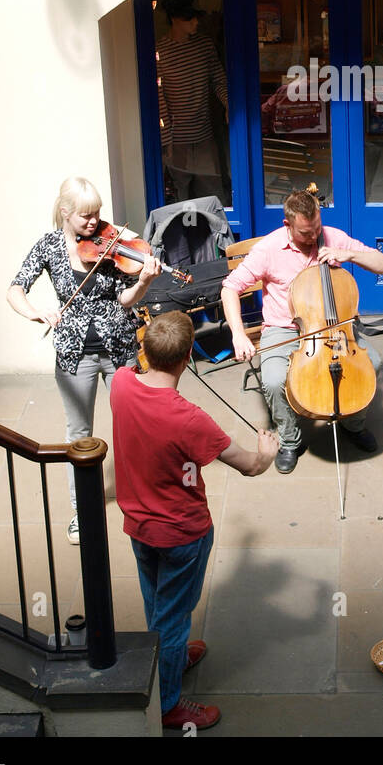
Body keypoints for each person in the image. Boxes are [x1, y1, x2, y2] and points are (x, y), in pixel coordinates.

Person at [110, 310, 278, 731]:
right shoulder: (190, 419)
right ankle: (166, 704)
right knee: (172, 616)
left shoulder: (121, 384)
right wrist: (268, 452)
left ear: (145, 350)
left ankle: (172, 654)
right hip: (182, 533)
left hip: (138, 523)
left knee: (156, 601)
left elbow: (132, 362)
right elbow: (251, 467)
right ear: (187, 357)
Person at [7, 176, 161, 544]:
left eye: (97, 214)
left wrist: (142, 284)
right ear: (65, 213)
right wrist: (36, 312)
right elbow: (15, 288)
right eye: (86, 216)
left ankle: (140, 502)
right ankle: (82, 512)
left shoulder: (111, 244)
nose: (94, 223)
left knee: (132, 426)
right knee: (78, 433)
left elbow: (123, 300)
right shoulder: (48, 246)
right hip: (74, 353)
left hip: (118, 346)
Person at [221, 189, 383, 473]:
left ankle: (353, 423)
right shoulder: (268, 249)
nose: (314, 238)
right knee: (276, 381)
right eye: (305, 233)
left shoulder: (332, 236)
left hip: (335, 327)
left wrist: (347, 253)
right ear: (288, 225)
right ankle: (290, 440)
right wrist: (238, 335)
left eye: (316, 229)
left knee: (371, 364)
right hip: (284, 328)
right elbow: (230, 288)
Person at [157, 0, 229, 202]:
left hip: (204, 135)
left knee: (213, 196)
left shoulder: (204, 46)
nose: (195, 22)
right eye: (189, 17)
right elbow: (160, 97)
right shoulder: (160, 52)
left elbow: (218, 79)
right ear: (174, 19)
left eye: (196, 16)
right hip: (176, 140)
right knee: (180, 201)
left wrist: (228, 105)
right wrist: (167, 142)